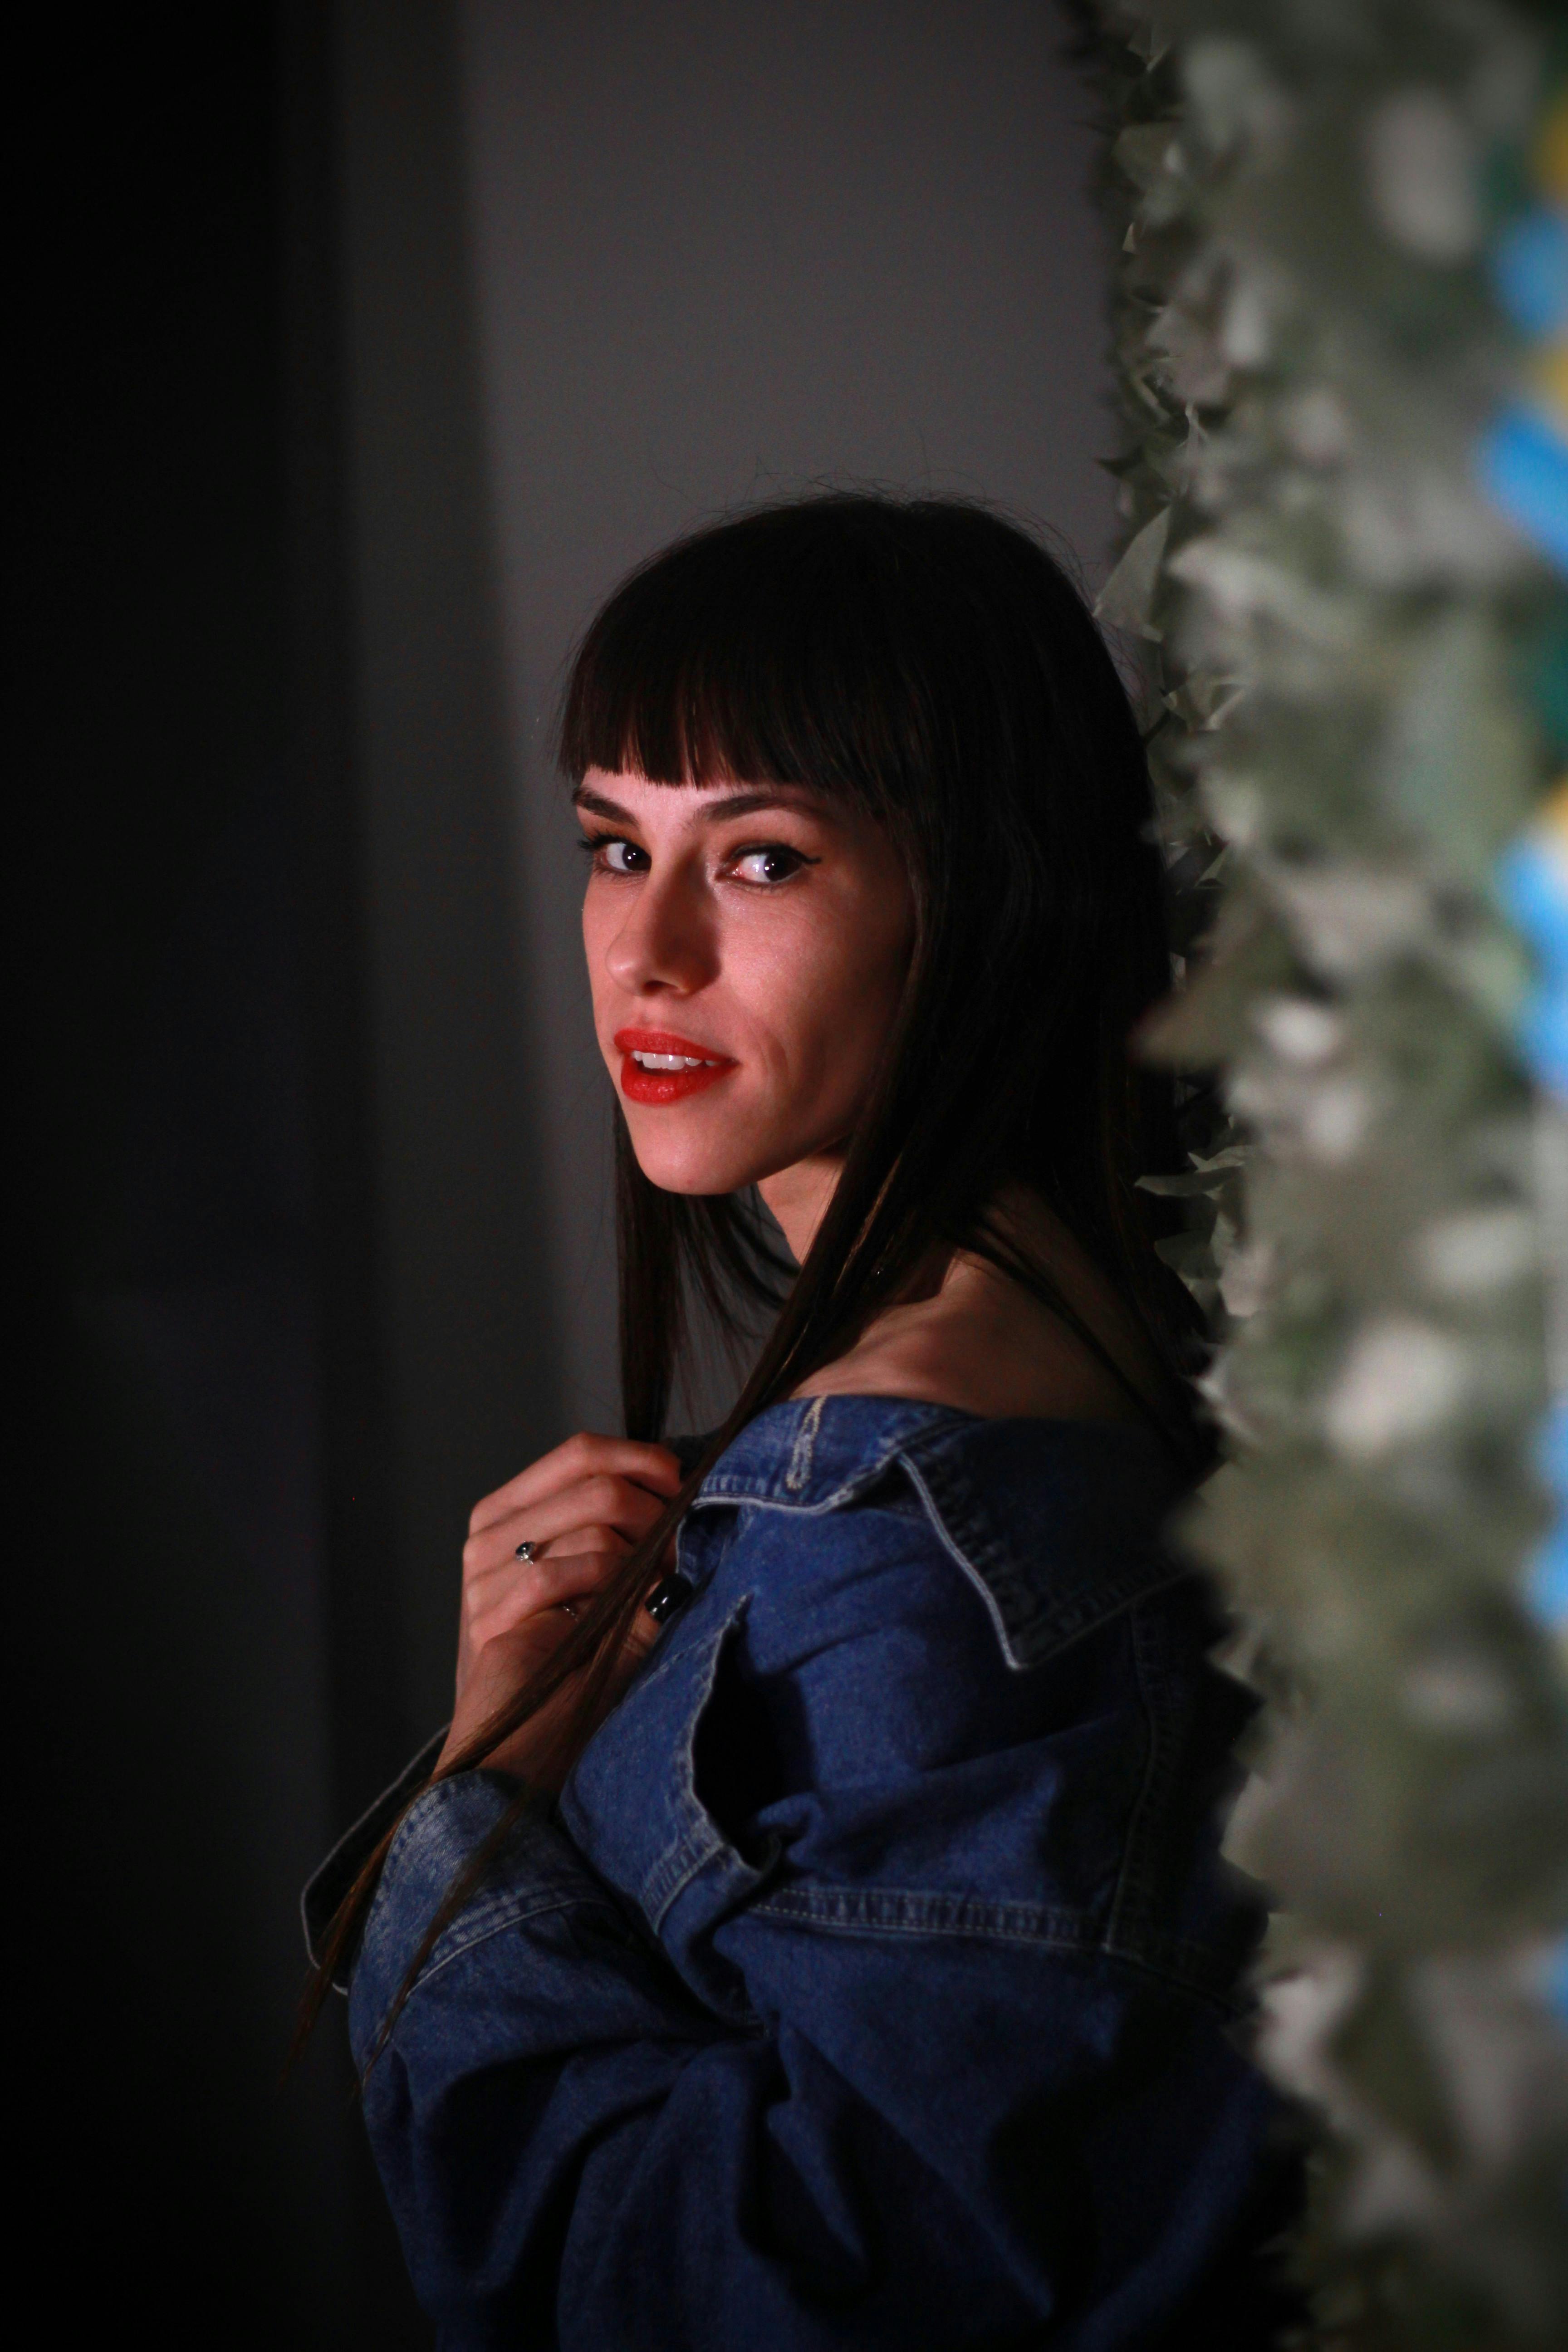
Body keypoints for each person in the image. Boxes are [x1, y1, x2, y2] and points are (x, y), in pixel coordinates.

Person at [301, 496, 1296, 2348]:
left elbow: (801, 2302)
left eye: (759, 862)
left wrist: (487, 1803)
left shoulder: (909, 1546)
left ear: (981, 894)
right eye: (615, 844)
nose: (643, 951)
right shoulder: (990, 1411)